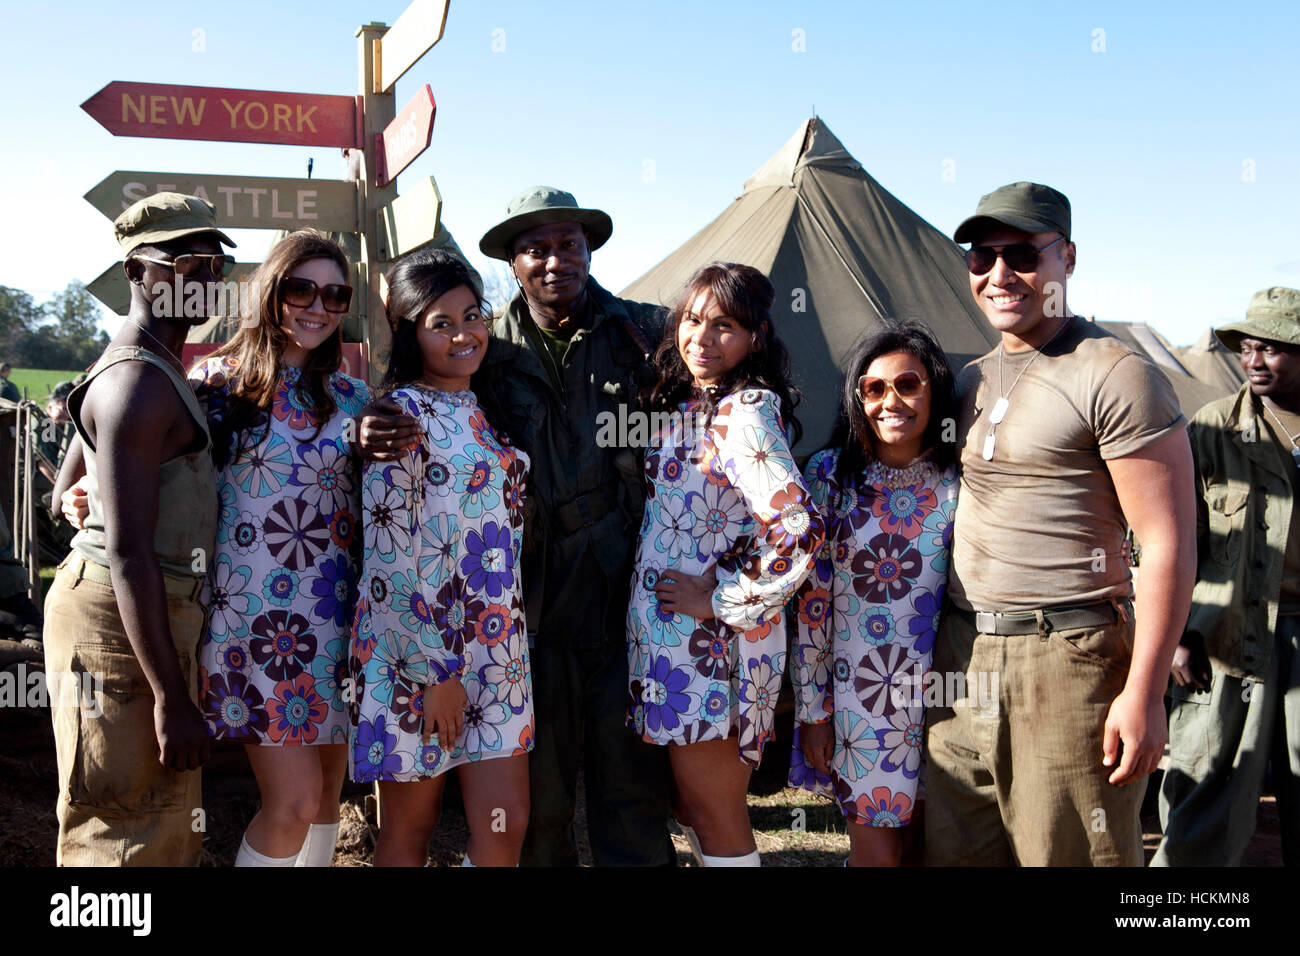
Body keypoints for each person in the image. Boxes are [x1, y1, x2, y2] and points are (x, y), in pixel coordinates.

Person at [363, 187, 673, 865]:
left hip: (626, 594)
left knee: (632, 787)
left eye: (568, 243)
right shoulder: (487, 350)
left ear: (588, 249)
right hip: (525, 601)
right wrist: (371, 422)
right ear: (514, 260)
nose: (554, 259)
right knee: (538, 802)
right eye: (536, 247)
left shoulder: (647, 334)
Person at [924, 182, 1197, 866]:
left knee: (1069, 856)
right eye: (981, 256)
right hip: (962, 657)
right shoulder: (970, 379)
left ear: (1066, 259)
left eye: (1021, 253)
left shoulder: (1114, 373)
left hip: (1068, 657)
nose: (998, 274)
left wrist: (1147, 692)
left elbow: (1167, 542)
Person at [45, 192, 231, 865]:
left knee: (159, 821)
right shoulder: (138, 384)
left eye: (214, 263)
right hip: (121, 624)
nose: (203, 278)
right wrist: (170, 698)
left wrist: (75, 495)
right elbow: (127, 553)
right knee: (124, 826)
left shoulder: (149, 364)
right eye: (182, 261)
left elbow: (68, 483)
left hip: (142, 614)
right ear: (135, 274)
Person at [628, 261, 823, 866]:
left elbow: (799, 528)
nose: (701, 339)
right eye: (692, 320)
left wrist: (721, 600)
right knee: (693, 806)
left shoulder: (745, 412)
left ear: (756, 337)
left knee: (715, 813)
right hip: (675, 645)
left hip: (714, 650)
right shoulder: (692, 404)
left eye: (725, 327)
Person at [188, 229, 369, 868]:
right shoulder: (217, 383)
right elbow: (162, 481)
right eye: (301, 289)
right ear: (271, 291)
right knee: (291, 802)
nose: (318, 307)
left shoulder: (353, 397)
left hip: (337, 620)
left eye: (335, 295)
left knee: (325, 795)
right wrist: (85, 501)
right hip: (253, 627)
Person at [351, 248, 532, 866]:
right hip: (418, 653)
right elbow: (387, 558)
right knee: (411, 828)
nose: (464, 333)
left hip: (499, 649)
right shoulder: (399, 417)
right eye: (441, 322)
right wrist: (436, 672)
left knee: (504, 832)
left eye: (472, 315)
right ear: (408, 332)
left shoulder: (485, 409)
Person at [789, 320, 958, 866]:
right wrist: (814, 711)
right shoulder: (830, 476)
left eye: (908, 385)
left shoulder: (964, 480)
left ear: (934, 391)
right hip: (865, 700)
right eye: (874, 388)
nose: (891, 401)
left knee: (930, 848)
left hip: (953, 693)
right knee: (877, 854)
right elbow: (812, 606)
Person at [1154, 287, 1300, 866]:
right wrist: (1176, 635)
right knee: (1208, 793)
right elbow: (1171, 538)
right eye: (1246, 348)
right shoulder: (1213, 430)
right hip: (1226, 637)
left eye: (1272, 349)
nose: (1254, 360)